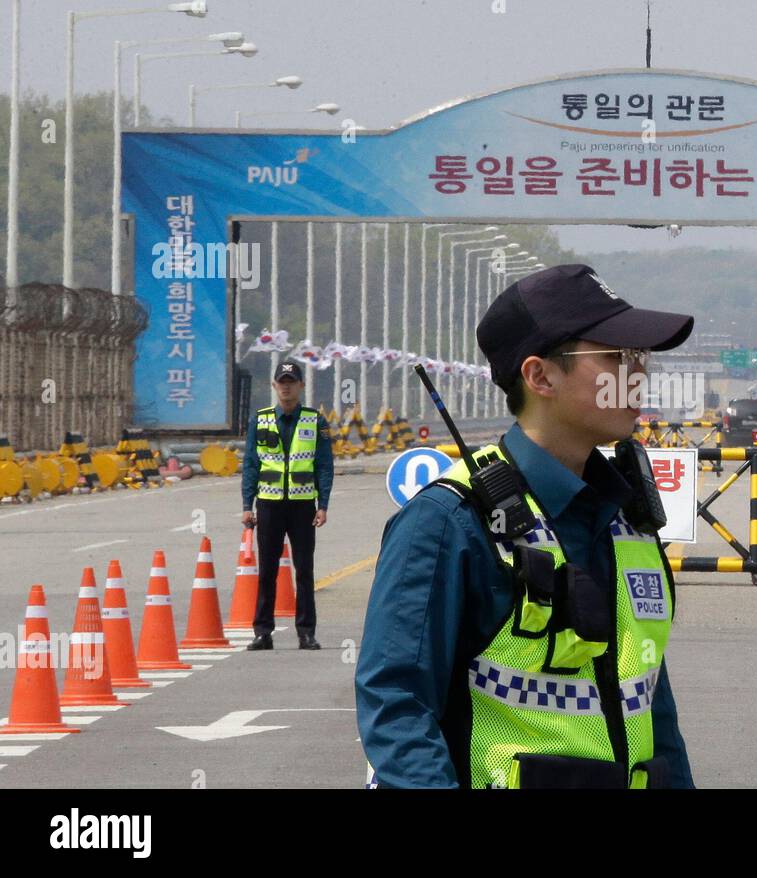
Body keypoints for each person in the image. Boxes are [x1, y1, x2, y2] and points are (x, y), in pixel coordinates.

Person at [355, 264, 695, 789]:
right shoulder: (451, 519)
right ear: (540, 377)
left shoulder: (630, 518)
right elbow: (396, 704)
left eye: (639, 357)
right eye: (614, 357)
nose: (638, 373)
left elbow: (653, 705)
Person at [241, 361, 332, 651]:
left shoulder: (315, 421)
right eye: (282, 381)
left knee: (304, 570)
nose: (287, 386)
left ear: (301, 385)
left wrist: (323, 504)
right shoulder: (260, 419)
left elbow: (324, 465)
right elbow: (251, 464)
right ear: (274, 386)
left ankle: (306, 632)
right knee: (267, 570)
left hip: (303, 505)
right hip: (268, 505)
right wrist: (247, 504)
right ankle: (262, 632)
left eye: (292, 381)